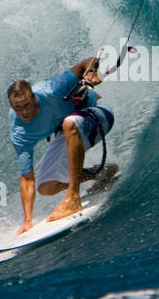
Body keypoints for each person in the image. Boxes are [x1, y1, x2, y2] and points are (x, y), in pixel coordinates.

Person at [7, 57, 116, 234]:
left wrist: (91, 72)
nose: (24, 112)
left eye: (27, 105)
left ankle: (73, 197)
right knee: (46, 187)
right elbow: (27, 178)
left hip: (99, 114)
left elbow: (87, 62)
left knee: (69, 123)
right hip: (68, 130)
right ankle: (100, 173)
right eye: (18, 108)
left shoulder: (51, 89)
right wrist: (28, 220)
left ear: (34, 98)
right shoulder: (19, 130)